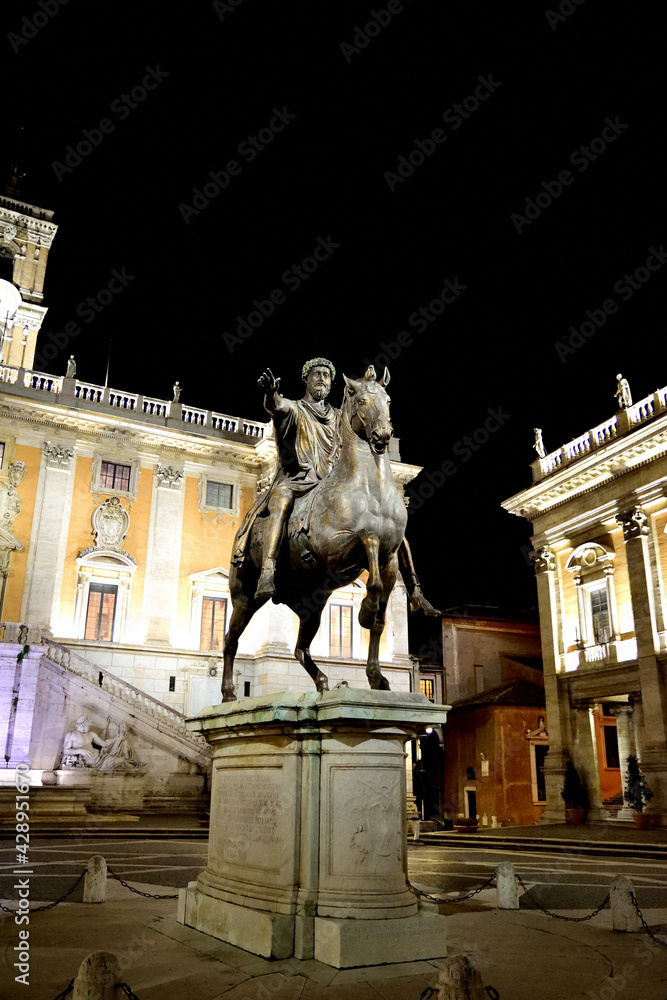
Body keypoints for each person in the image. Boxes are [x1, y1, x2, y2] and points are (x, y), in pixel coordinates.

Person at [233, 358, 438, 613]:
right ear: (306, 380)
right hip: (299, 481)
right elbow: (276, 407)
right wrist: (271, 395)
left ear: (332, 385)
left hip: (332, 484)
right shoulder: (296, 408)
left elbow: (362, 422)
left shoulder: (339, 416)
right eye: (316, 374)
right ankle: (268, 569)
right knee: (282, 502)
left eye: (327, 376)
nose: (322, 378)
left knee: (391, 526)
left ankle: (415, 590)